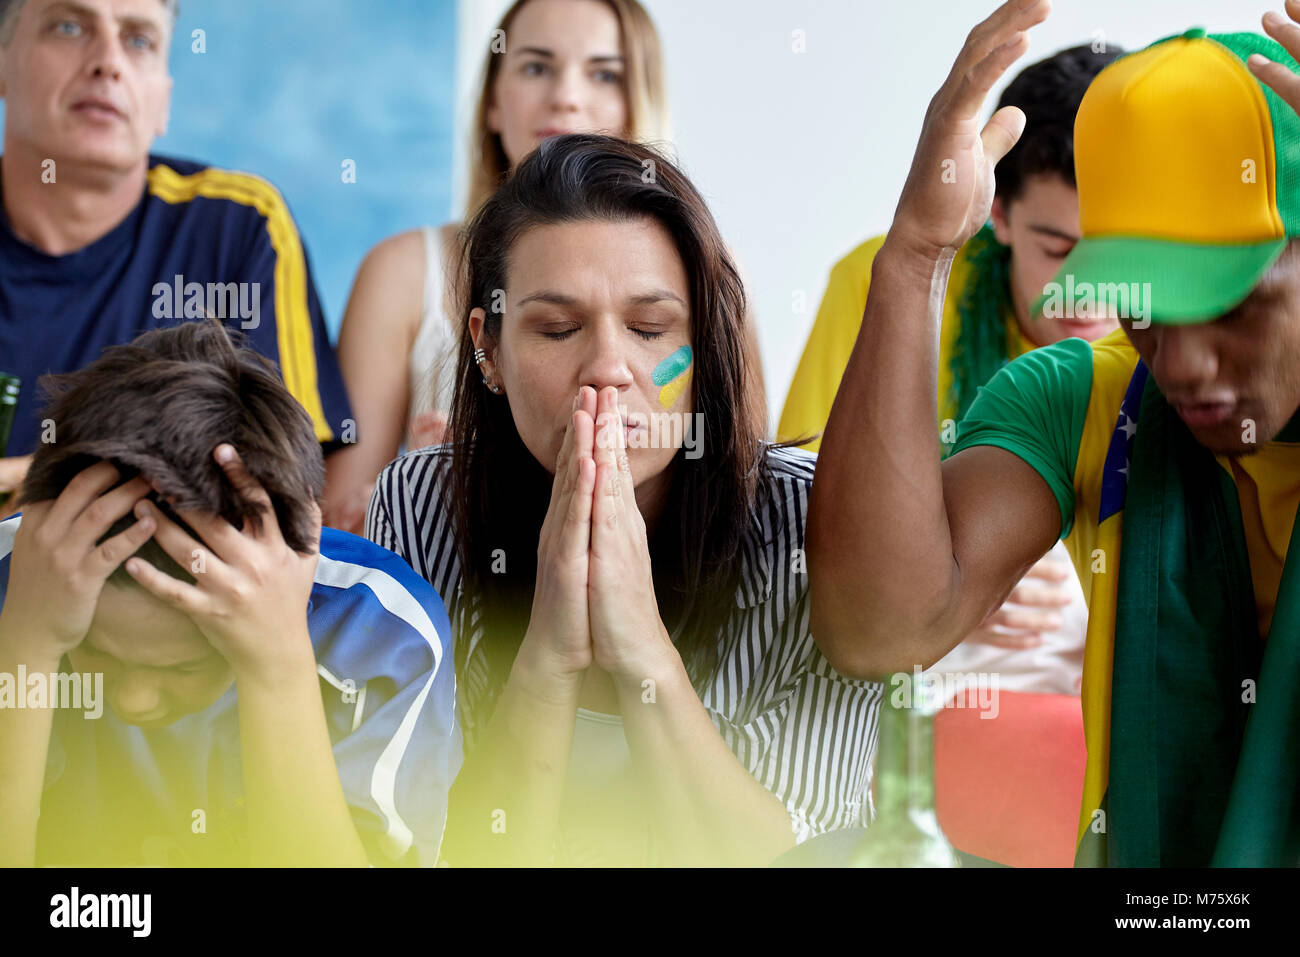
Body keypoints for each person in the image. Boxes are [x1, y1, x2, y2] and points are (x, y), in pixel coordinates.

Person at [808, 0, 1300, 867]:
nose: (1181, 363)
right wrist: (918, 252)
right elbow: (878, 631)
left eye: (1229, 301)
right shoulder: (1084, 399)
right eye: (1140, 302)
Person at [366, 133, 876, 867]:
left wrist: (642, 647)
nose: (608, 369)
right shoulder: (420, 501)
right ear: (487, 349)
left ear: (707, 344)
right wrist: (546, 655)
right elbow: (436, 847)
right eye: (557, 328)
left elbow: (799, 856)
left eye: (650, 328)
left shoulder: (811, 523)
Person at [0, 321, 458, 867]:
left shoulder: (383, 634)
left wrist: (277, 665)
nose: (132, 700)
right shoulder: (22, 579)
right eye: (94, 653)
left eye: (181, 670)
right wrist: (25, 644)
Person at [326, 0, 767, 534]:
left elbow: (743, 496)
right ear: (491, 100)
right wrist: (428, 495)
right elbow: (337, 526)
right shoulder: (401, 270)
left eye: (604, 73)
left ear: (640, 101)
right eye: (536, 67)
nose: (566, 97)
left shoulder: (715, 272)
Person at [781, 43, 1123, 696]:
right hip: (903, 688)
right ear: (997, 213)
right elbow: (802, 523)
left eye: (1118, 249)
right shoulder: (887, 284)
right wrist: (957, 587)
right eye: (1059, 248)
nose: (1090, 290)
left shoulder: (1171, 331)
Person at [0, 0, 353, 500]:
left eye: (138, 40)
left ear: (163, 99)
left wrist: (27, 482)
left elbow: (282, 486)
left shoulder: (240, 225)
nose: (108, 62)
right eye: (68, 26)